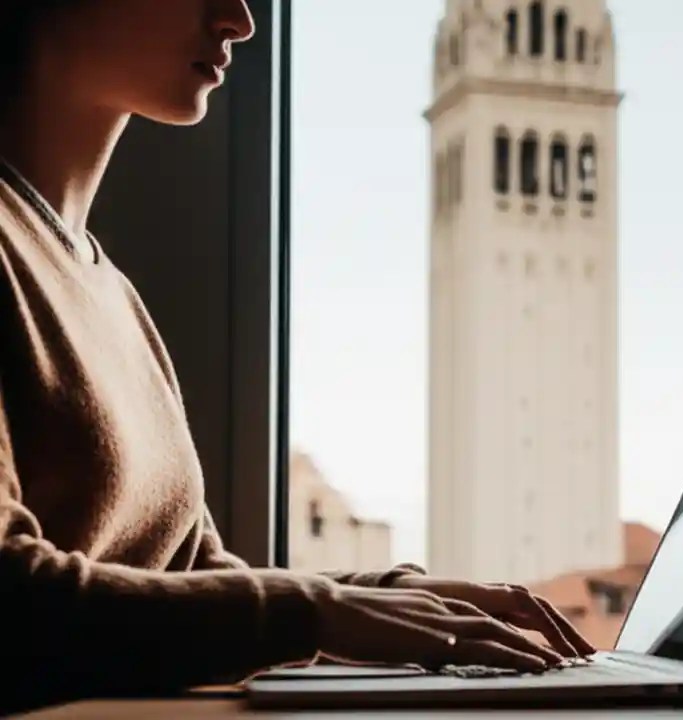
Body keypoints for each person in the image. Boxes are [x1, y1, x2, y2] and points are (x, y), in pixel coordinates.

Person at [0, 0, 593, 712]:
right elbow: (12, 600)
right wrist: (319, 613)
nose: (240, 19)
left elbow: (191, 573)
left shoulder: (106, 287)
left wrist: (386, 596)